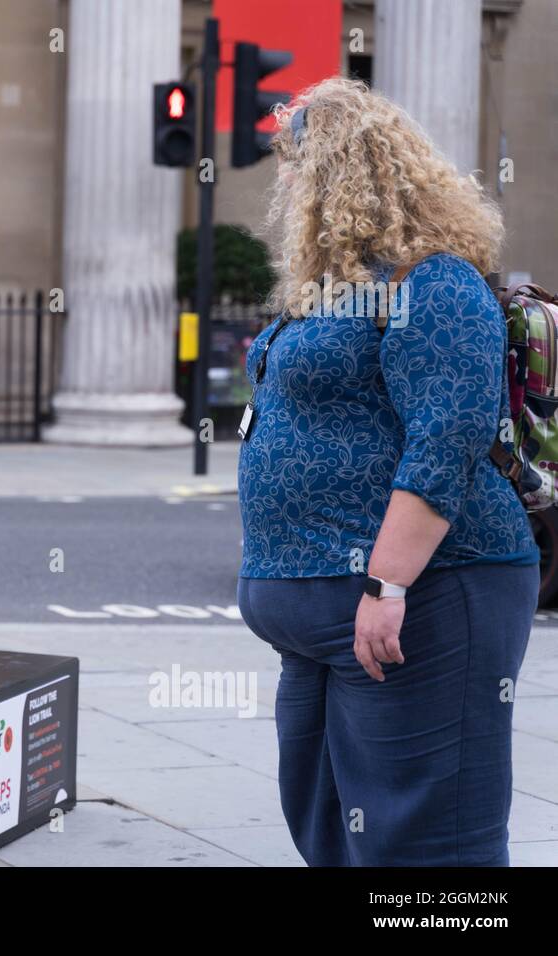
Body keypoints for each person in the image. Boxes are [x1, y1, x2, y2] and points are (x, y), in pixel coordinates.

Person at [237, 77, 539, 866]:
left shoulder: (434, 282)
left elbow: (448, 437)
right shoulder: (338, 290)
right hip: (321, 619)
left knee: (431, 838)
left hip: (427, 600)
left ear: (345, 173)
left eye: (297, 164)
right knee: (331, 824)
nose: (287, 182)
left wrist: (386, 586)